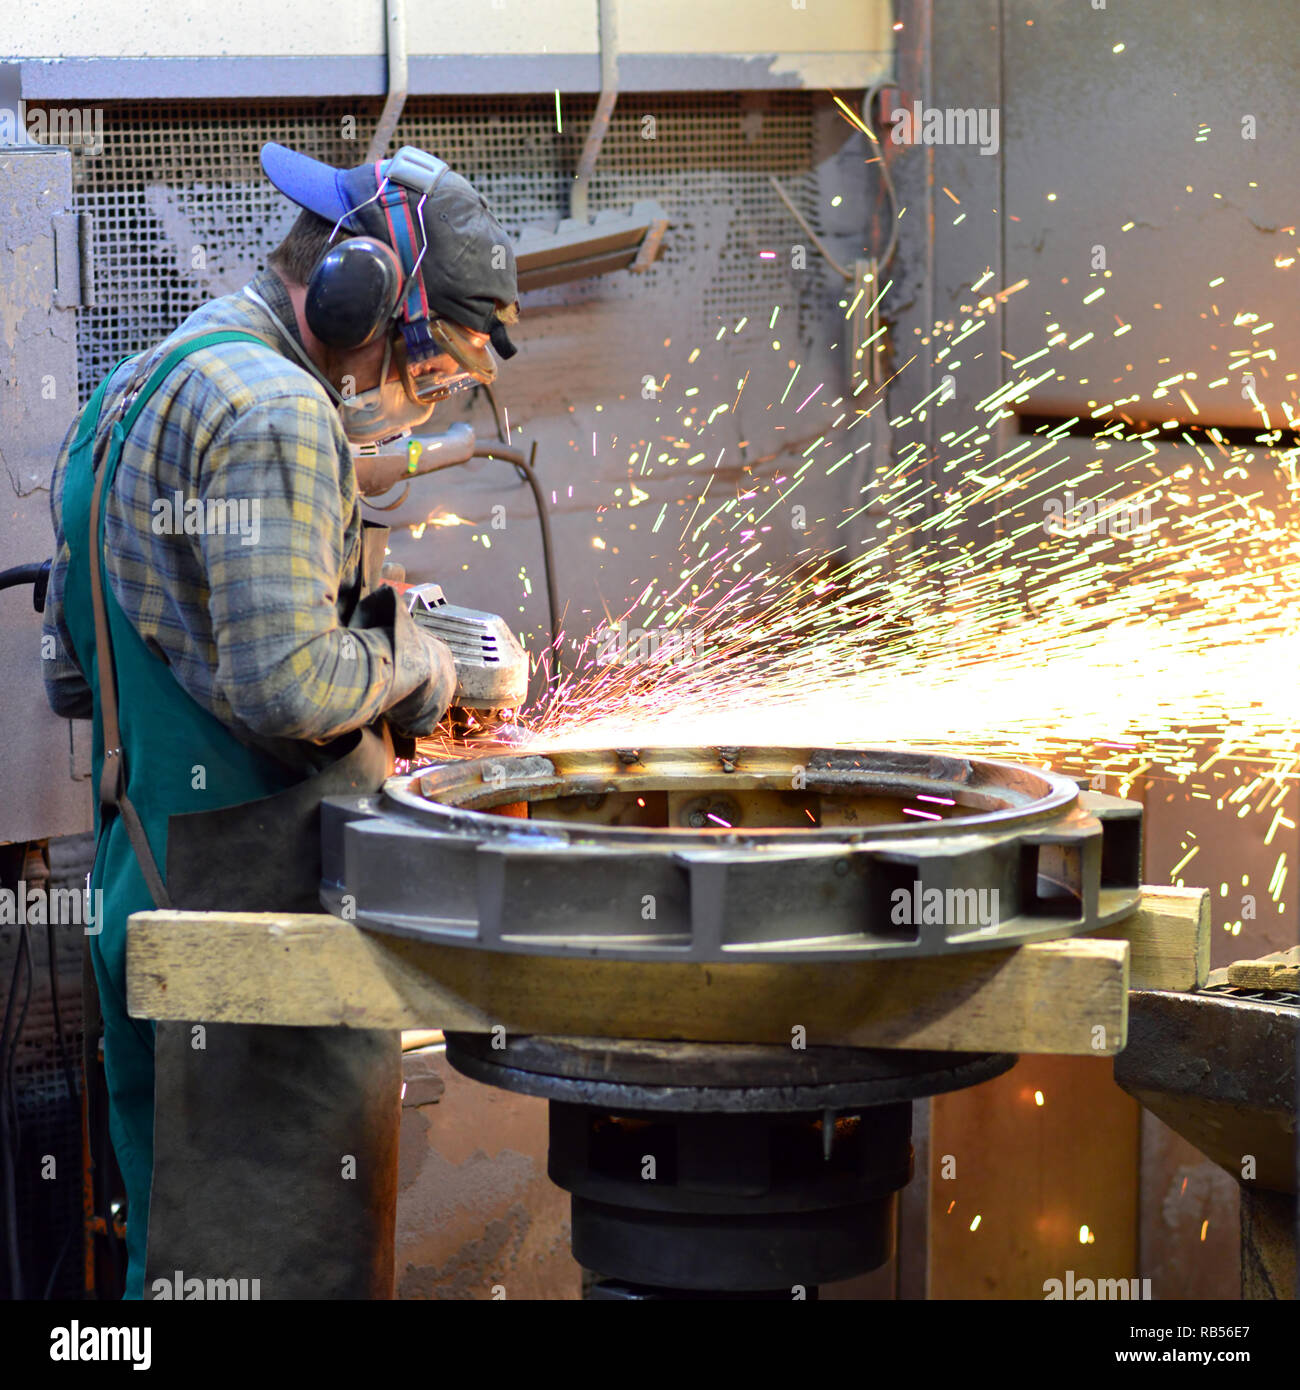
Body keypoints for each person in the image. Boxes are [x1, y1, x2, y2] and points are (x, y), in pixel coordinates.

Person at [41, 143, 519, 1299]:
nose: (421, 391)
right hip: (260, 927)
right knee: (287, 1274)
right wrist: (413, 662)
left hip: (145, 888)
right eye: (429, 363)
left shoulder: (140, 382)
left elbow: (73, 676)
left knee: (180, 1260)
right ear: (358, 295)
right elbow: (287, 689)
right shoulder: (276, 412)